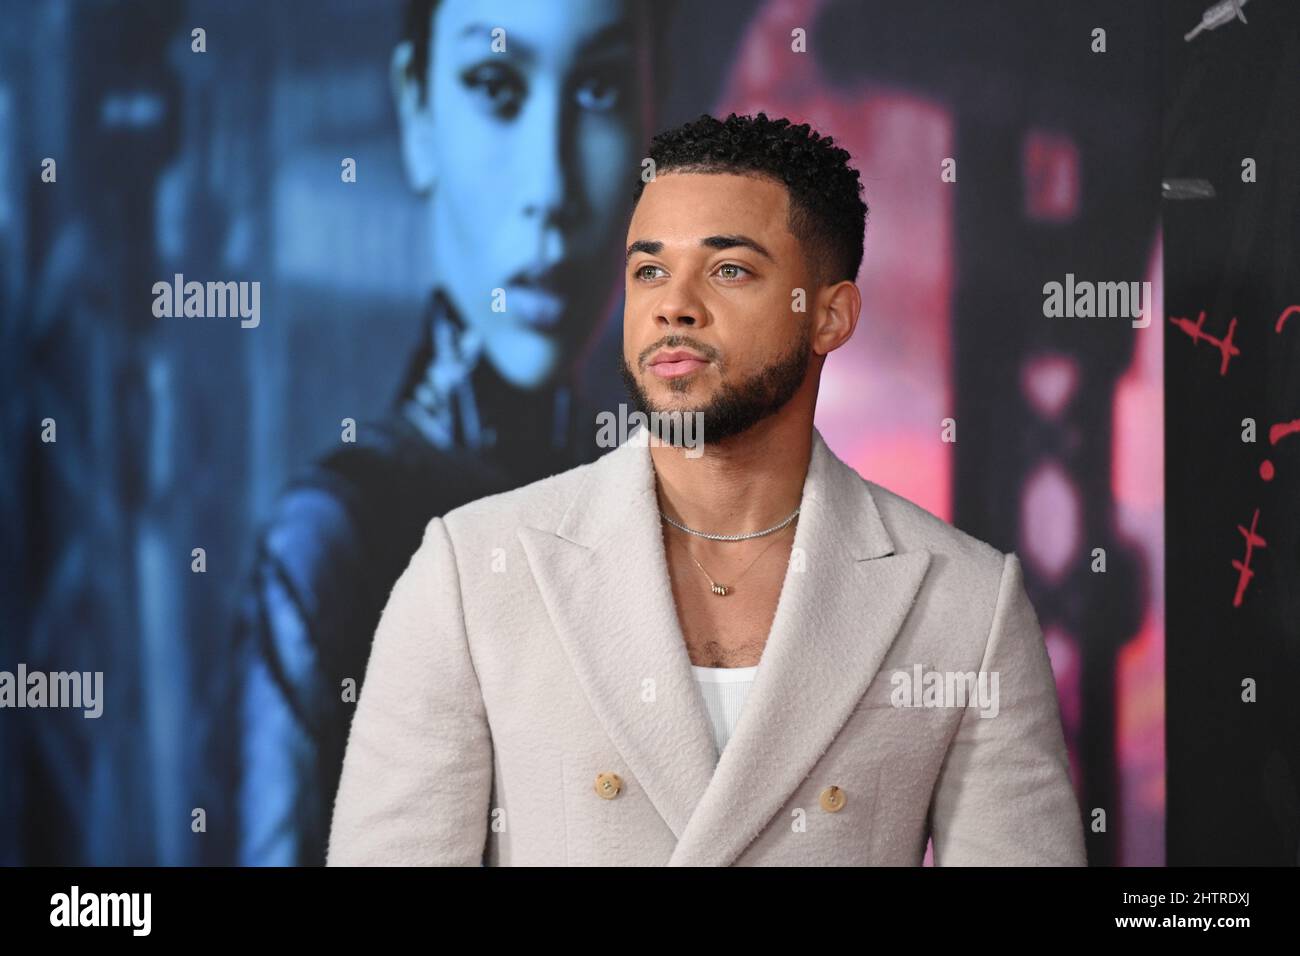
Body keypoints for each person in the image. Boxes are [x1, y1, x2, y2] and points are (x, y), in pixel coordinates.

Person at [326, 112, 1088, 866]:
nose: (673, 305)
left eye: (730, 270)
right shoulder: (474, 571)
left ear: (830, 315)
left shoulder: (966, 601)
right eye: (648, 269)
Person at [237, 0, 666, 866]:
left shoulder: (665, 527)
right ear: (419, 112)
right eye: (497, 88)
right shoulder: (337, 545)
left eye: (598, 91)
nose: (550, 189)